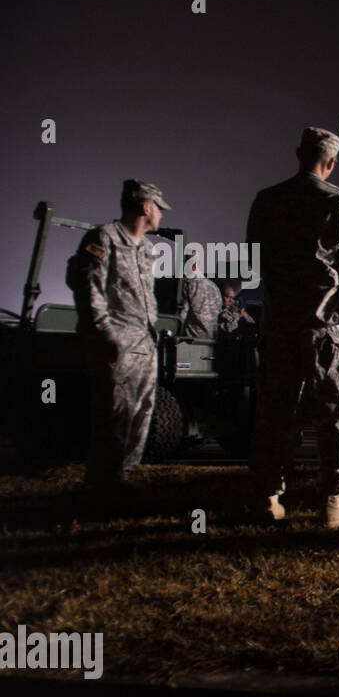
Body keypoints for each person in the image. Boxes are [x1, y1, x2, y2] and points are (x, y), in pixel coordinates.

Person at [247, 127, 339, 527]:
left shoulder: (266, 201)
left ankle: (269, 496)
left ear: (298, 154)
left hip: (279, 324)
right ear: (331, 162)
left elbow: (254, 263)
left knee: (275, 410)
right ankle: (333, 500)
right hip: (329, 325)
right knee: (334, 410)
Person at [65, 179, 170, 492]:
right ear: (145, 207)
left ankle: (122, 476)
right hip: (117, 343)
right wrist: (104, 333)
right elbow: (88, 287)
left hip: (144, 342)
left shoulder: (147, 249)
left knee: (142, 411)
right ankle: (102, 482)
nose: (161, 215)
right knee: (115, 415)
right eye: (158, 209)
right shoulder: (103, 238)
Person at [178, 274, 223, 339]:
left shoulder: (188, 282)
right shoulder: (214, 287)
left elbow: (183, 313)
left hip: (191, 338)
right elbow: (219, 312)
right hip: (210, 339)